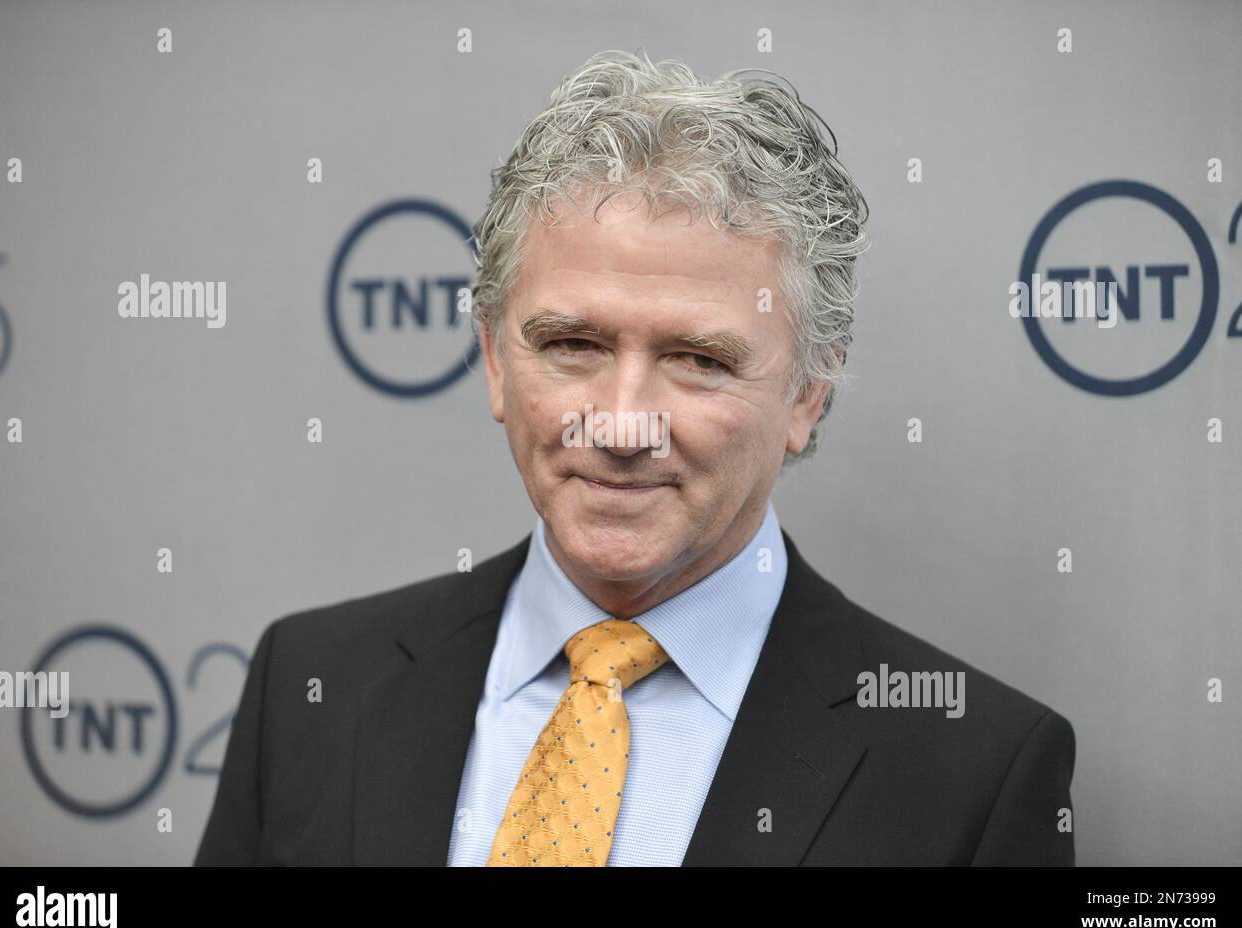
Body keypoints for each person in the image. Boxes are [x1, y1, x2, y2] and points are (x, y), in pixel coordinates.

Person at [196, 49, 1074, 866]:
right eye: (572, 343)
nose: (621, 426)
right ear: (497, 361)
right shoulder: (311, 688)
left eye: (700, 360)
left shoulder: (973, 776)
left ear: (808, 394)